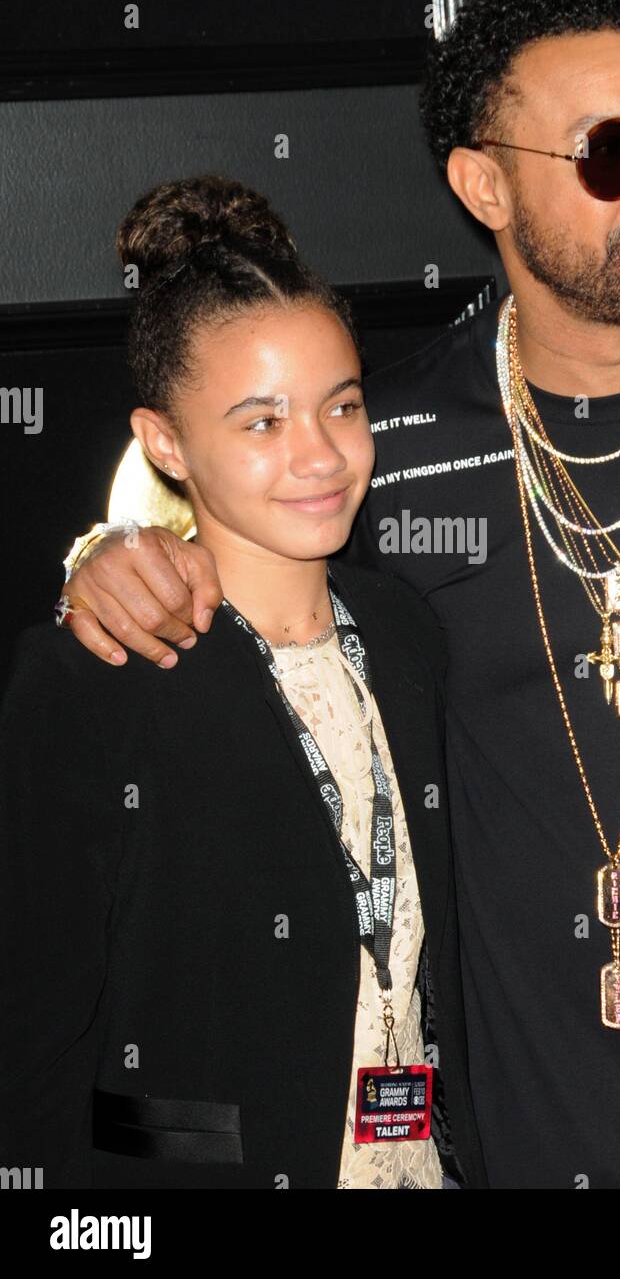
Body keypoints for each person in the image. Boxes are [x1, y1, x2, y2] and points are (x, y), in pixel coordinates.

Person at [47, 0, 620, 1189]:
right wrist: (107, 559)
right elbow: (242, 562)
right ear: (481, 184)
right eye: (607, 153)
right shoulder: (386, 446)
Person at [0, 174, 488, 1191]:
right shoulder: (94, 671)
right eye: (261, 422)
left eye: (341, 405)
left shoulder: (406, 634)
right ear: (167, 443)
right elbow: (30, 1040)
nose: (318, 455)